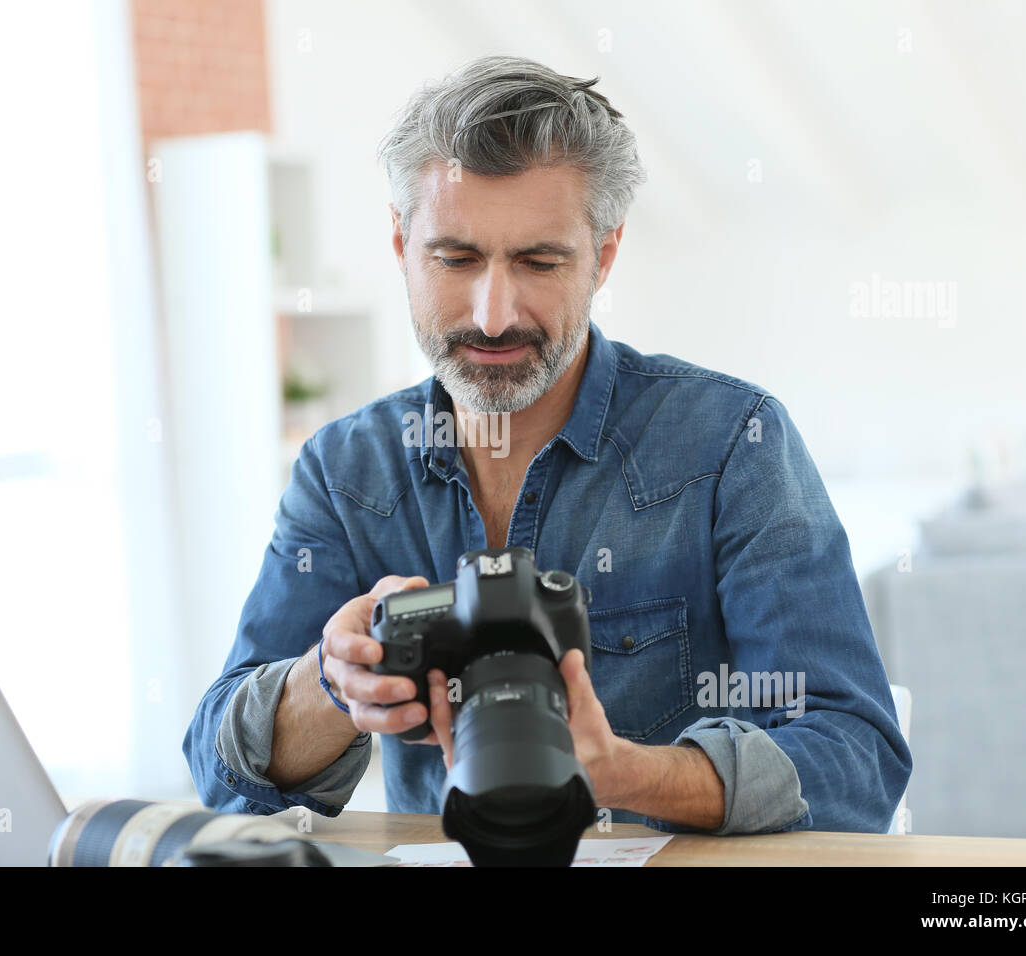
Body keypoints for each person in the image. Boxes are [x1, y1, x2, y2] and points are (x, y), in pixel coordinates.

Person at [183, 54, 910, 834]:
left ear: (604, 254)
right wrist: (330, 683)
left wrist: (633, 775)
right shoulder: (347, 471)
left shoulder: (732, 443)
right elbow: (222, 775)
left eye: (538, 261)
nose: (494, 315)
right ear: (401, 243)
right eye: (455, 259)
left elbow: (856, 755)